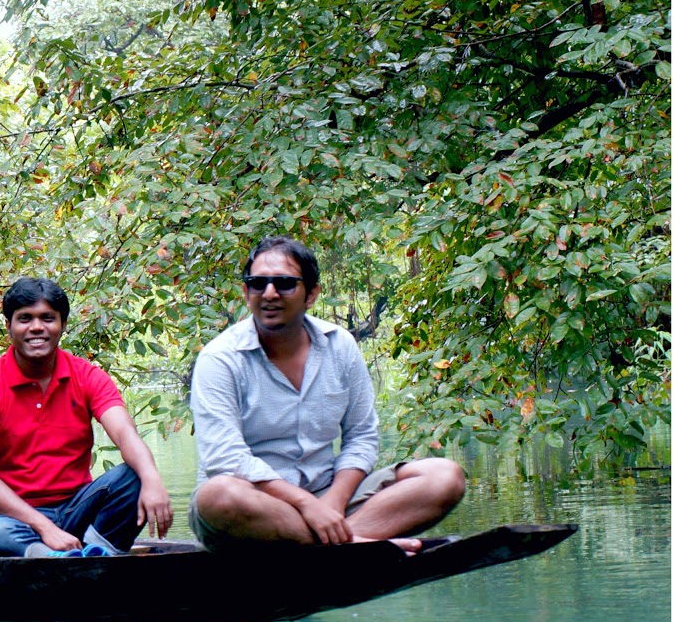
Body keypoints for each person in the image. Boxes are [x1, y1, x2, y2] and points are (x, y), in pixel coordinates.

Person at [187, 235, 466, 551]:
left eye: (284, 284)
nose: (269, 293)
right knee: (218, 495)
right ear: (245, 291)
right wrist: (307, 506)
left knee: (445, 476)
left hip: (330, 498)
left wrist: (332, 501)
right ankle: (355, 546)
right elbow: (225, 458)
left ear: (312, 294)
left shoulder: (340, 346)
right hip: (256, 506)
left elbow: (361, 436)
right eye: (257, 283)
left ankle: (340, 542)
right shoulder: (220, 358)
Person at [0, 277, 173, 558]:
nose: (36, 327)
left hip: (77, 508)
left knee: (134, 477)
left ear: (62, 325)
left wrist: (152, 479)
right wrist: (45, 528)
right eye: (25, 318)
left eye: (47, 318)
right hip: (18, 519)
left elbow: (124, 434)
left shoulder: (87, 376)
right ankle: (55, 557)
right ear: (9, 326)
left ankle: (98, 555)